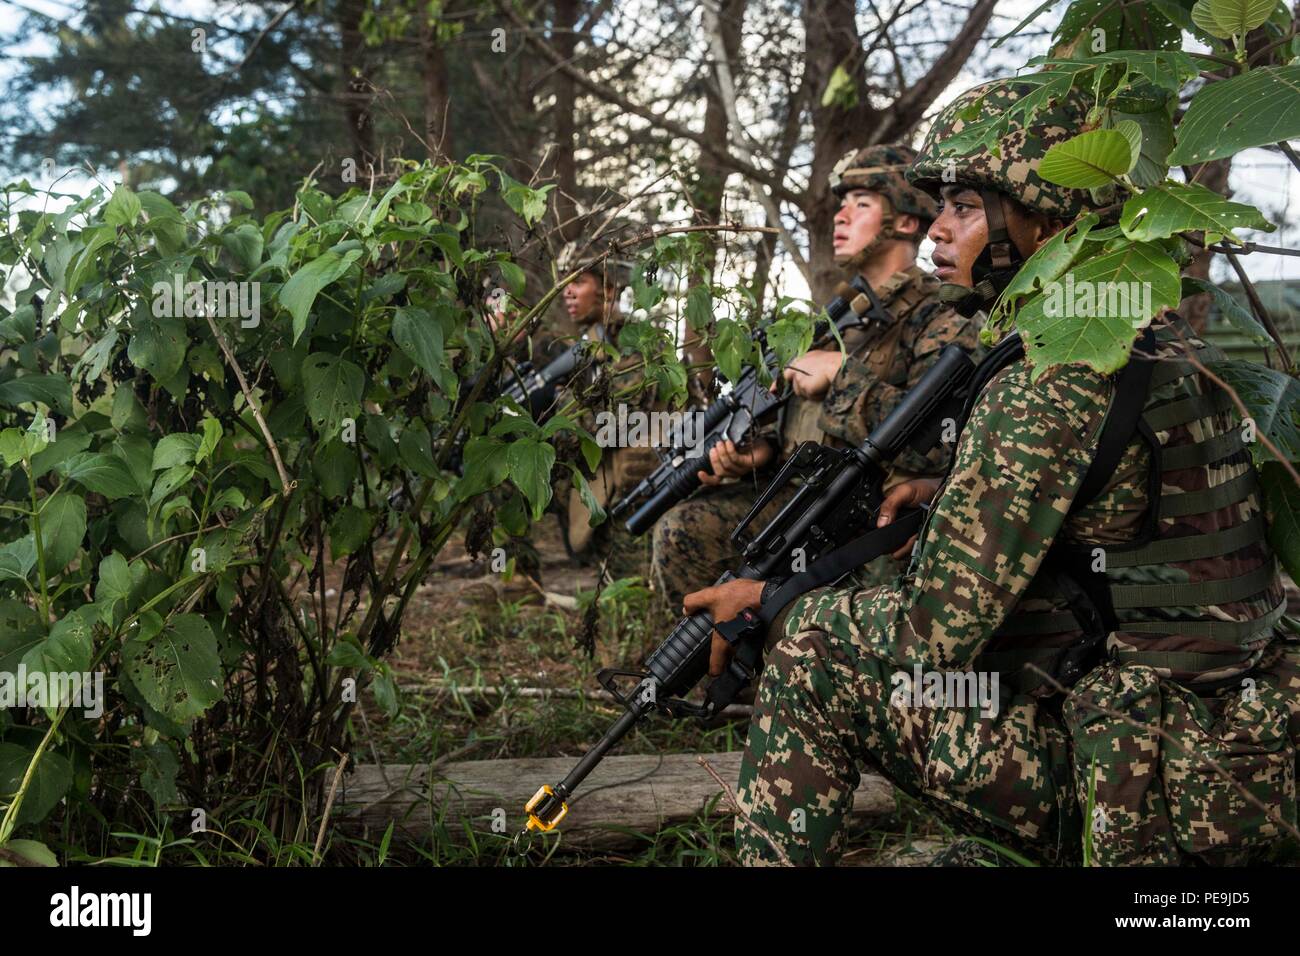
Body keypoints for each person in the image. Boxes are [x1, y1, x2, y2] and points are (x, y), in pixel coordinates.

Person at [683, 80, 1300, 866]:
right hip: (1228, 757)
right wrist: (948, 494)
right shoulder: (1152, 334)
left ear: (1043, 220)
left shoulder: (1053, 374)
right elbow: (1131, 522)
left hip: (1141, 796)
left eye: (967, 207)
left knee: (815, 644)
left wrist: (770, 601)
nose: (938, 227)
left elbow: (928, 639)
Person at [651, 144, 979, 612]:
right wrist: (758, 454)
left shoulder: (943, 312)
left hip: (873, 513)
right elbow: (799, 423)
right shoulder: (840, 315)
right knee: (683, 523)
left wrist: (842, 376)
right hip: (805, 495)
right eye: (841, 205)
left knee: (691, 531)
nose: (840, 217)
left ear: (906, 221)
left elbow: (946, 442)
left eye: (861, 204)